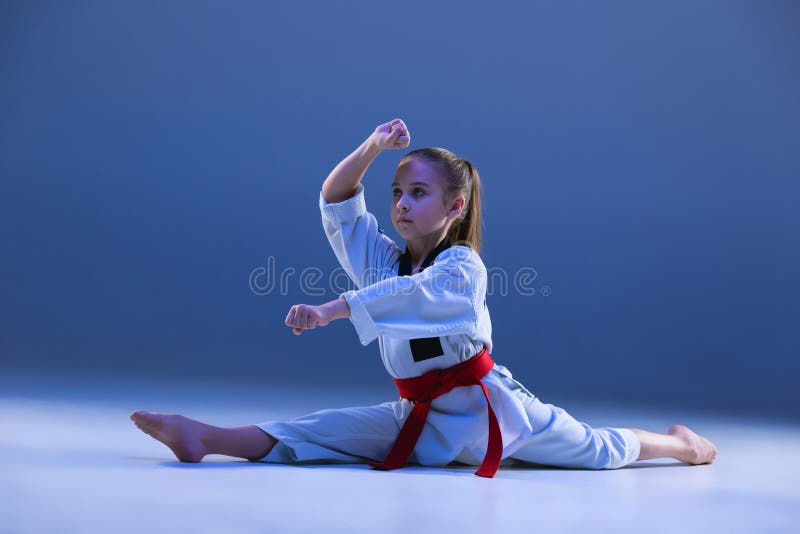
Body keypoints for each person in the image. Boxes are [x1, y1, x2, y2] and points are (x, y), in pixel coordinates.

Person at [131, 118, 717, 476]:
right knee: (320, 431)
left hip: (500, 417)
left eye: (417, 193)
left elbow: (410, 296)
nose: (402, 204)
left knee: (598, 447)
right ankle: (203, 437)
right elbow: (337, 206)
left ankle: (680, 446)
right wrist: (371, 147)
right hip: (423, 417)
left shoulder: (463, 268)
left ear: (455, 207)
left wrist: (331, 310)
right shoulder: (385, 258)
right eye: (397, 193)